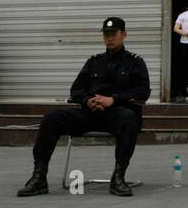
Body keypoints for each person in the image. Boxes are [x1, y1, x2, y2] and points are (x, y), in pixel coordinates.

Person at [17, 16, 150, 198]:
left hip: (118, 114)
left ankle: (118, 176)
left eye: (114, 34)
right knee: (52, 118)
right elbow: (76, 89)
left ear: (124, 34)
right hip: (91, 114)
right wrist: (87, 101)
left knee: (129, 119)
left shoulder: (135, 62)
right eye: (106, 34)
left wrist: (113, 99)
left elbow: (142, 91)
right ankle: (39, 176)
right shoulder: (94, 62)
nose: (109, 38)